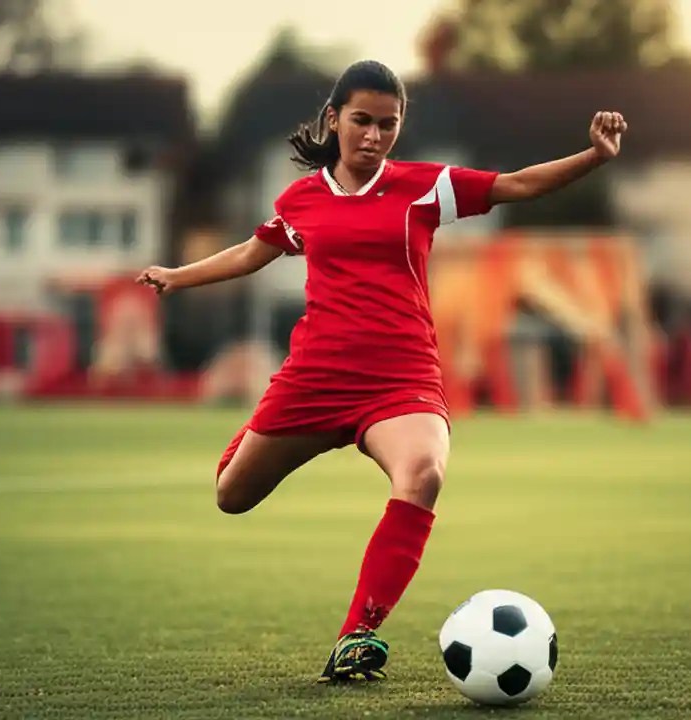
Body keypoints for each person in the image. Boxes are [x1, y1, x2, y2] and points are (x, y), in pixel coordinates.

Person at [137, 60, 627, 684]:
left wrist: (593, 156)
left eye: (388, 125)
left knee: (422, 474)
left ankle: (357, 633)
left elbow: (518, 185)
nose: (373, 136)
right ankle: (263, 426)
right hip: (315, 378)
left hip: (401, 378)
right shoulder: (301, 199)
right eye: (362, 121)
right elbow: (252, 252)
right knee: (231, 495)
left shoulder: (423, 188)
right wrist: (179, 276)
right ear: (334, 119)